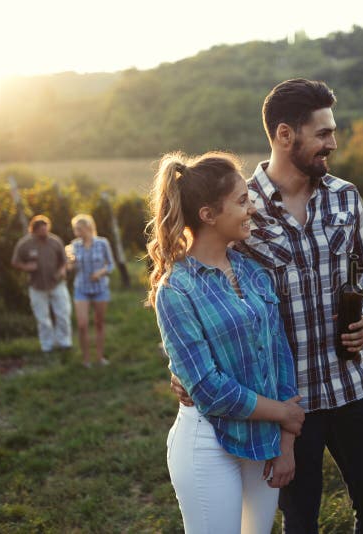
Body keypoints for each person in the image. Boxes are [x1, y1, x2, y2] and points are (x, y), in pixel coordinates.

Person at [170, 79, 363, 533]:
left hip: (354, 387)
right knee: (300, 521)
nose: (333, 143)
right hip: (287, 405)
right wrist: (182, 368)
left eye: (333, 132)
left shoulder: (345, 195)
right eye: (323, 133)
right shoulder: (237, 207)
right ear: (285, 135)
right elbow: (208, 292)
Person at [149, 151, 305, 533]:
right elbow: (206, 387)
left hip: (264, 444)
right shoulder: (176, 289)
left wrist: (285, 442)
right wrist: (283, 414)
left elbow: (280, 358)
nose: (251, 208)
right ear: (208, 215)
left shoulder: (253, 273)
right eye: (241, 201)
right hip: (207, 444)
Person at [11, 214, 72, 353]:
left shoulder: (55, 241)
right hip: (36, 286)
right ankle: (47, 346)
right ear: (34, 230)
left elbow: (64, 261)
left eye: (46, 229)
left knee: (63, 314)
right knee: (43, 319)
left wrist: (62, 270)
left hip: (57, 284)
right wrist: (26, 267)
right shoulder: (24, 244)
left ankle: (65, 343)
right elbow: (15, 262)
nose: (45, 232)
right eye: (41, 230)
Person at [66, 213, 114, 368]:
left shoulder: (102, 243)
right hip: (81, 288)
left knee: (99, 323)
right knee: (82, 324)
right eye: (75, 229)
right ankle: (86, 359)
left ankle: (99, 357)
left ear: (88, 228)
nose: (76, 232)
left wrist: (100, 272)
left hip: (100, 288)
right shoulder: (74, 245)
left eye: (78, 229)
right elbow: (70, 267)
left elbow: (111, 265)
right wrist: (69, 263)